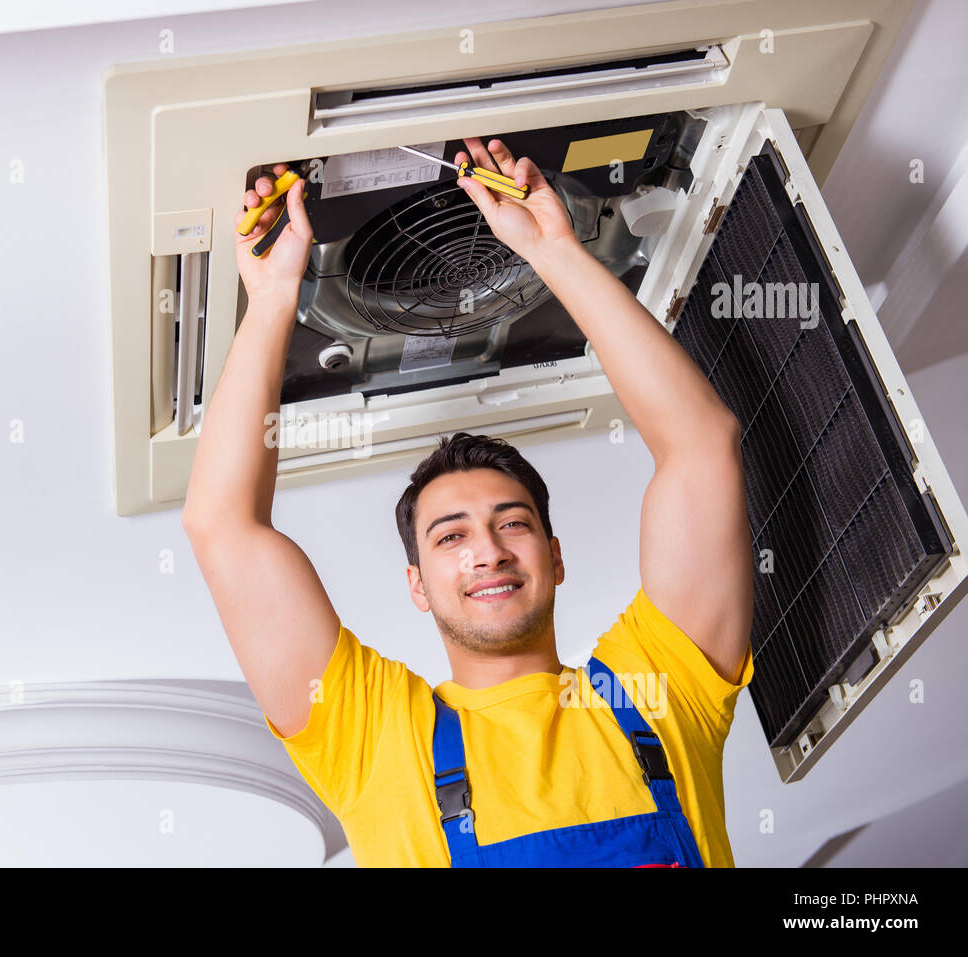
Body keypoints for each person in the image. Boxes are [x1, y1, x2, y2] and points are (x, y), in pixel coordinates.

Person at [181, 137, 754, 867]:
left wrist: (553, 250)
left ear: (553, 556)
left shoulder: (660, 692)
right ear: (416, 584)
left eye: (512, 523)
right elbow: (222, 526)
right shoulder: (377, 738)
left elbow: (703, 444)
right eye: (450, 536)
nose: (487, 548)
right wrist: (268, 302)